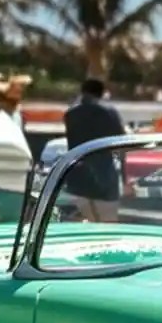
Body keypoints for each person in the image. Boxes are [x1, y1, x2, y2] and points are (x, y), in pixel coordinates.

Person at [63, 78, 125, 222]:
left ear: (82, 92)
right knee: (108, 221)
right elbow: (121, 143)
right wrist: (124, 175)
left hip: (78, 173)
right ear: (102, 93)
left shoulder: (70, 114)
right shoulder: (109, 113)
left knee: (86, 220)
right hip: (104, 172)